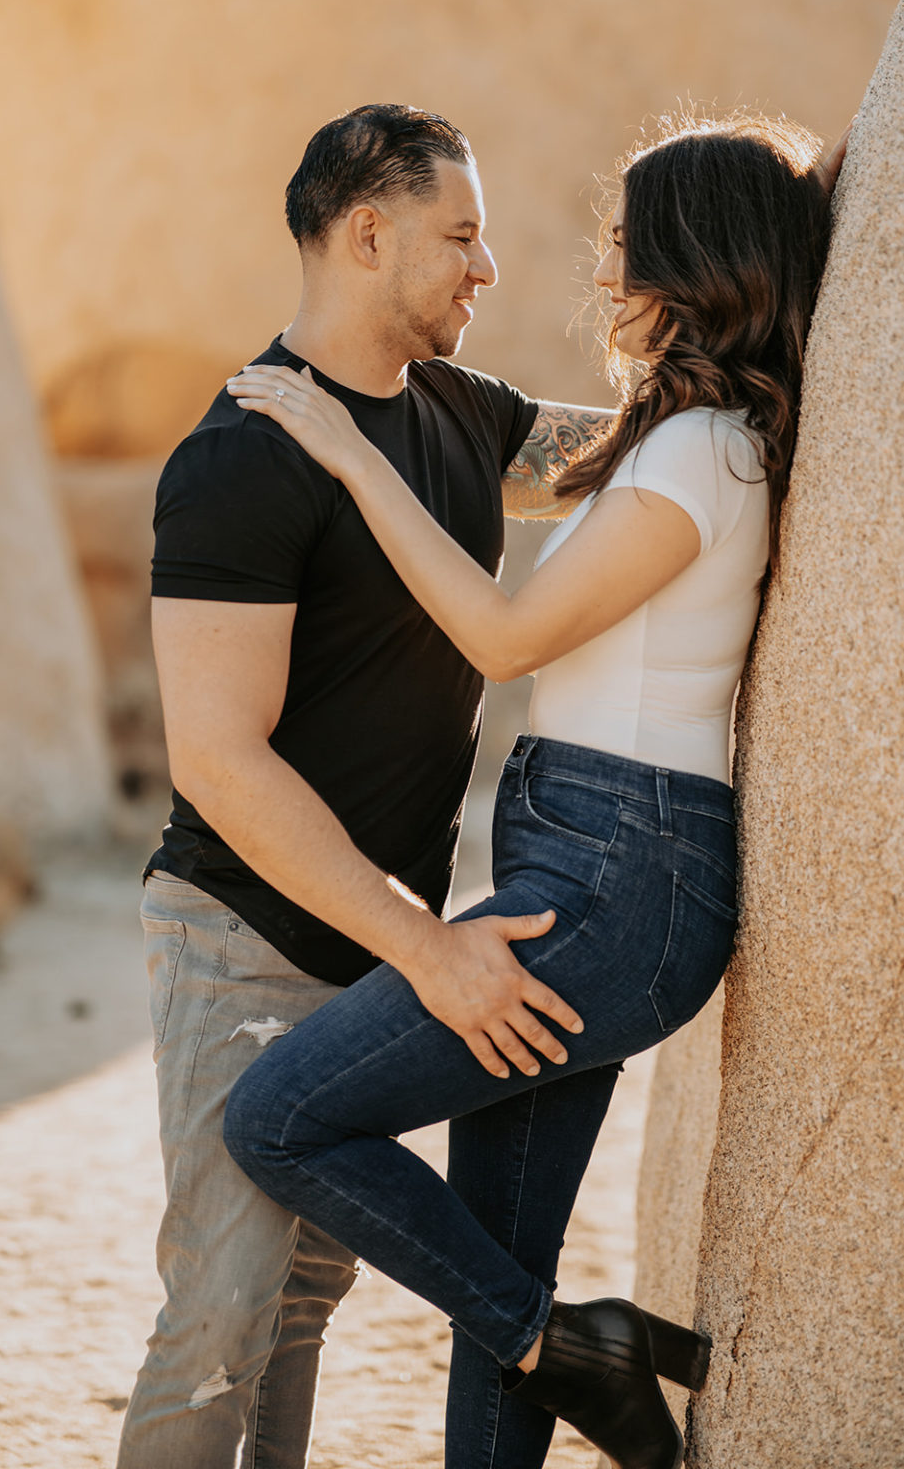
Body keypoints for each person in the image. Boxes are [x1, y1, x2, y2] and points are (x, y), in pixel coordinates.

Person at [221, 112, 836, 1469]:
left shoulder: (701, 455)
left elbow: (502, 640)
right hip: (593, 865)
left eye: (630, 236)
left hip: (622, 882)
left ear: (686, 256)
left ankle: (566, 1342)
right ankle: (549, 1335)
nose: (603, 259)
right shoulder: (678, 440)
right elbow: (533, 468)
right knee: (499, 1265)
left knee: (275, 1119)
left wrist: (344, 450)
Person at [117, 102, 616, 1469]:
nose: (486, 268)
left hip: (372, 953)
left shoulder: (473, 419)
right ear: (367, 234)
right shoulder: (238, 459)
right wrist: (425, 948)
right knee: (219, 1318)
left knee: (293, 1316)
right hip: (242, 940)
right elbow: (218, 762)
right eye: (461, 236)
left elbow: (643, 451)